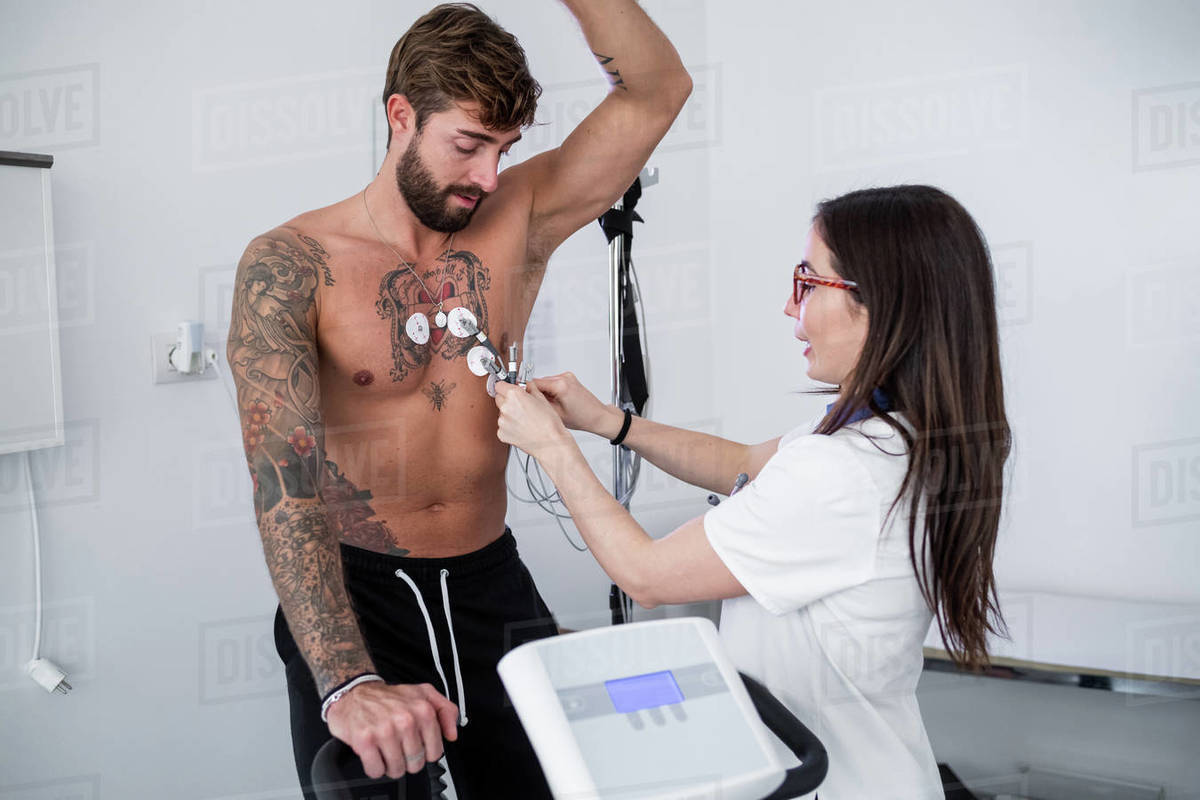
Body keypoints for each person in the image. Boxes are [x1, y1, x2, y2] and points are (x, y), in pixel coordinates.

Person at [225, 3, 692, 798]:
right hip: (357, 600)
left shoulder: (519, 217)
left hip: (490, 585)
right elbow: (285, 488)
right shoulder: (290, 264)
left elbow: (657, 90)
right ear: (400, 116)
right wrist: (347, 682)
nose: (487, 177)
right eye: (468, 145)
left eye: (504, 150)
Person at [494, 185, 1012, 799]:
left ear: (881, 303)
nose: (790, 307)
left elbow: (645, 575)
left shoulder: (842, 472)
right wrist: (609, 422)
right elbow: (741, 463)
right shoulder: (897, 435)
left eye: (808, 283)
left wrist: (552, 447)